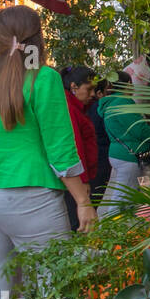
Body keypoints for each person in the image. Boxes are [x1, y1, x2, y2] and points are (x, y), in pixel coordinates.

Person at [0, 6, 94, 299]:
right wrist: (83, 200)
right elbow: (61, 150)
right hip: (27, 196)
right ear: (36, 37)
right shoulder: (43, 78)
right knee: (63, 293)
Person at [99, 69, 150, 213]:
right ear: (127, 84)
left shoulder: (109, 103)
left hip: (119, 152)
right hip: (129, 156)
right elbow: (139, 129)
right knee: (121, 198)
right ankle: (110, 228)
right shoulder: (122, 102)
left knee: (132, 195)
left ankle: (128, 227)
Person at [59, 66, 99, 230]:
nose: (92, 94)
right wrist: (82, 182)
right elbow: (75, 147)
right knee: (79, 226)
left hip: (80, 176)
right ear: (74, 87)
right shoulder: (69, 109)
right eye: (88, 89)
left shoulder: (78, 108)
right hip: (76, 180)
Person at [87, 75, 114, 202]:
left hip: (97, 156)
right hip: (100, 157)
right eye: (108, 92)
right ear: (99, 93)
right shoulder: (100, 108)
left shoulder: (87, 108)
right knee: (95, 196)